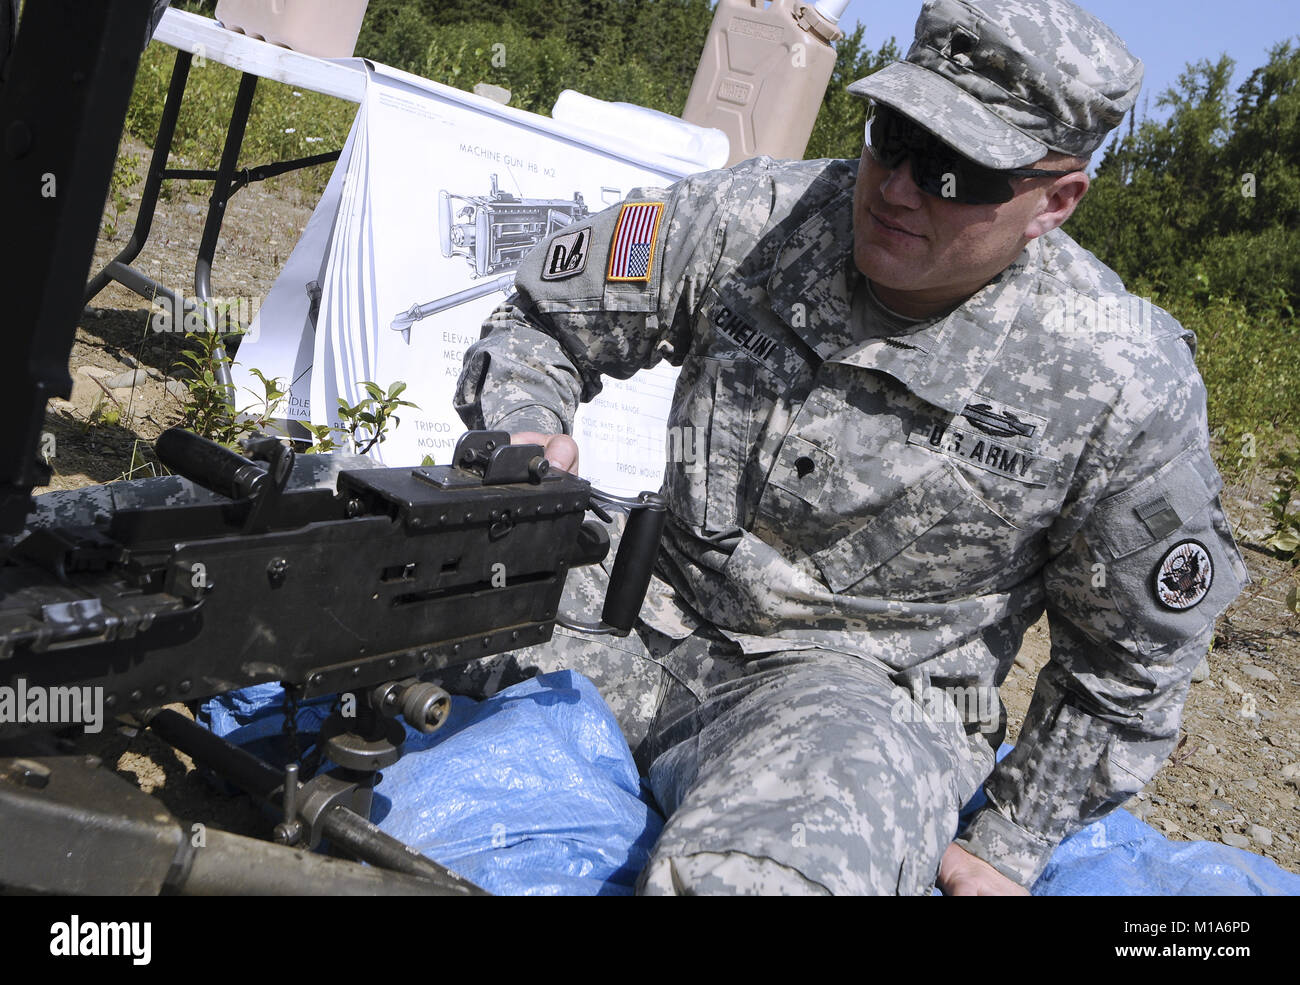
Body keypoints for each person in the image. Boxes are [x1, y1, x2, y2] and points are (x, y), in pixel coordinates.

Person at [449, 0, 1248, 895]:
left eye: (957, 172)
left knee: (767, 878)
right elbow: (546, 319)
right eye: (893, 135)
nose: (902, 187)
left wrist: (1012, 837)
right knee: (331, 575)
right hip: (630, 608)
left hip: (856, 704)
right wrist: (521, 428)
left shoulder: (1120, 376)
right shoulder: (754, 215)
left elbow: (1135, 657)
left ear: (1054, 201)